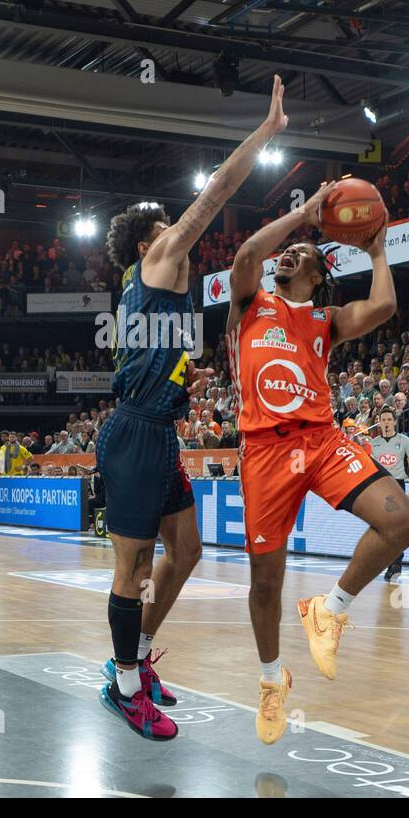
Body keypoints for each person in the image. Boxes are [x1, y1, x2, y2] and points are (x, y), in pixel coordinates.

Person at [96, 76, 287, 742]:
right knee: (135, 568)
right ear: (152, 243)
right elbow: (216, 195)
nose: (178, 231)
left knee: (189, 548)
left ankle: (138, 652)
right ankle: (121, 684)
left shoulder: (141, 279)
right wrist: (264, 134)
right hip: (134, 435)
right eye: (164, 227)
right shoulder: (159, 257)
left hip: (159, 432)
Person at [225, 179, 409, 744]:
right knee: (266, 580)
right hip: (263, 450)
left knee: (402, 521)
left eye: (304, 255)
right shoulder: (249, 304)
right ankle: (270, 680)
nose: (290, 255)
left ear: (316, 277)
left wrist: (378, 249)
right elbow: (244, 256)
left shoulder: (326, 320)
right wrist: (301, 218)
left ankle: (329, 610)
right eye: (287, 253)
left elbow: (383, 306)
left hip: (323, 440)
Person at [369, 407, 409, 581]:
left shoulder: (404, 441)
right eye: (383, 420)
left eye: (389, 419)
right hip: (379, 486)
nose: (386, 423)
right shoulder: (373, 443)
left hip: (397, 484)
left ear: (394, 421)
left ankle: (396, 563)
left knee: (397, 525)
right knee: (381, 527)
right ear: (379, 422)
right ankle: (389, 561)